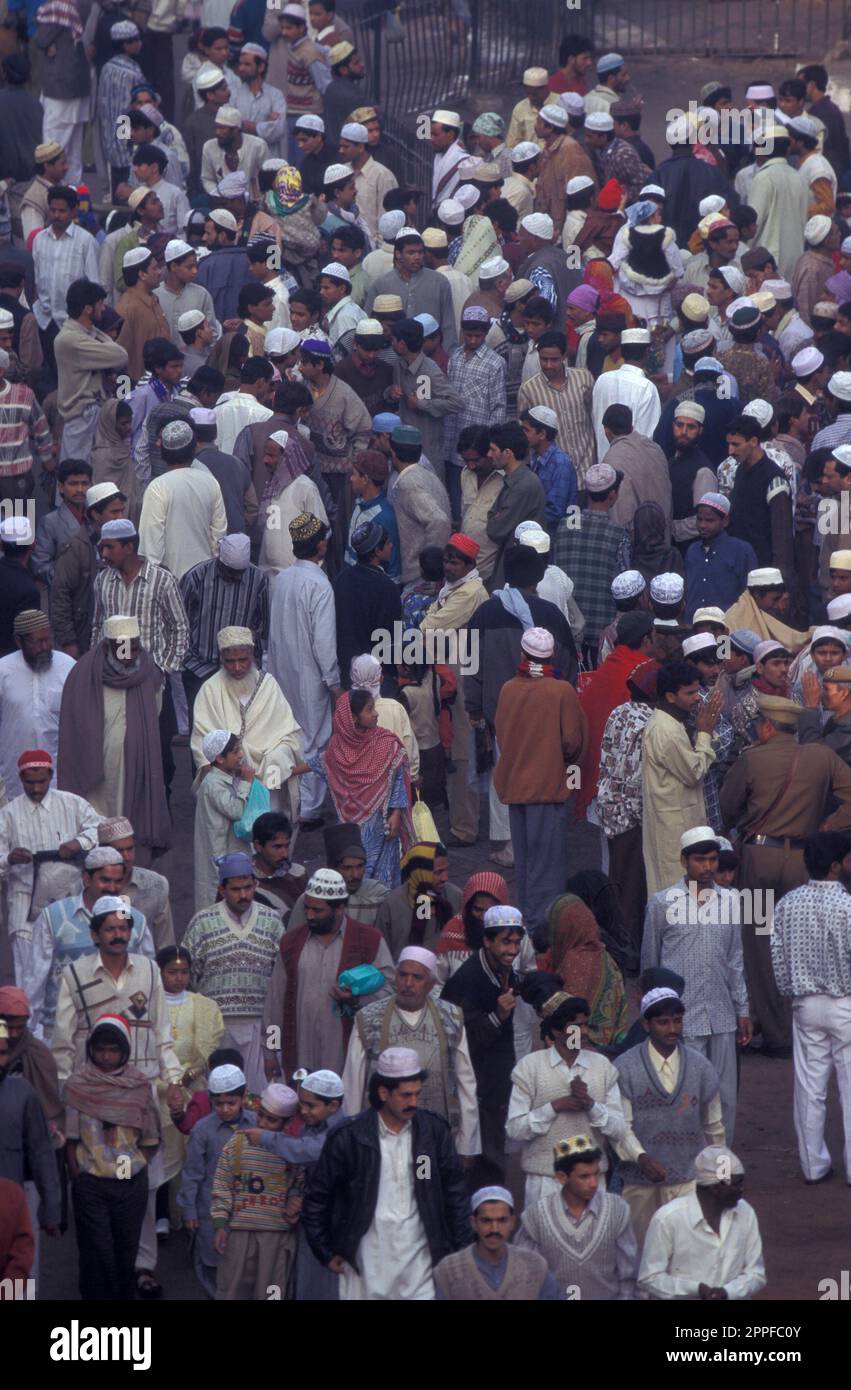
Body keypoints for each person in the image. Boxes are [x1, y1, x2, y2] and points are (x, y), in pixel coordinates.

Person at [52, 896, 184, 1298]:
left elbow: (162, 1031)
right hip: (90, 1097)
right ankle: (99, 1274)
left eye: (123, 928)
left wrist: (174, 1079)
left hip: (139, 1094)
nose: (117, 934)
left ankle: (140, 1267)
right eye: (109, 928)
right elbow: (62, 1042)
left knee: (139, 1184)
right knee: (93, 1176)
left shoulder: (147, 970)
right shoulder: (74, 975)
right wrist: (67, 1094)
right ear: (95, 935)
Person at [720, 693, 851, 1053]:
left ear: (765, 726)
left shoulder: (752, 759)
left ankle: (775, 1032)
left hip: (758, 861)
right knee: (803, 944)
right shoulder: (822, 756)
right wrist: (827, 825)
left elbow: (727, 809)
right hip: (803, 864)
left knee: (760, 944)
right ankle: (807, 1029)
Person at [301, 1045, 470, 1300]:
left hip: (420, 1256)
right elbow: (317, 1198)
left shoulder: (432, 1132)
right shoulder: (350, 1137)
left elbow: (454, 1193)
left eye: (417, 1094)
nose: (413, 1102)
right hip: (366, 1259)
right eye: (405, 1095)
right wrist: (325, 1251)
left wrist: (461, 1250)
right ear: (383, 1093)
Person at [642, 827, 751, 1143]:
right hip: (680, 1019)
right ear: (683, 861)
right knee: (685, 1095)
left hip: (722, 1015)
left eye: (712, 860)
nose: (707, 867)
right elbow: (650, 966)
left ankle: (719, 1165)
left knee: (725, 1097)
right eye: (700, 860)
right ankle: (687, 1165)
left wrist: (742, 1009)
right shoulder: (662, 904)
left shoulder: (731, 901)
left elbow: (735, 960)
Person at [342, 946, 481, 1160]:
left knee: (428, 1187)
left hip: (435, 1135)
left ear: (431, 984)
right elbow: (353, 1084)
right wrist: (351, 1140)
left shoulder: (452, 1018)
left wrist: (467, 1146)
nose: (408, 983)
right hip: (380, 1136)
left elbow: (465, 1082)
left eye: (417, 977)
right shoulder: (367, 1019)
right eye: (403, 975)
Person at [613, 988, 726, 1247]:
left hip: (688, 1178)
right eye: (663, 1022)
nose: (672, 1028)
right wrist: (640, 1158)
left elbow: (714, 1127)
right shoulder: (625, 1067)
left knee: (686, 1252)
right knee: (641, 1253)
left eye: (677, 1020)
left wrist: (721, 1174)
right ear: (646, 1024)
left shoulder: (701, 1067)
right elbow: (620, 1126)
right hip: (639, 1184)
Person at [63, 1014, 161, 1302]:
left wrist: (127, 1168)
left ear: (124, 1052)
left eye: (113, 1050)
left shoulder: (138, 1086)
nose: (106, 1057)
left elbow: (151, 1139)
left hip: (128, 1181)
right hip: (90, 1182)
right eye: (101, 1049)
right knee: (96, 1252)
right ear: (91, 1049)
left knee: (124, 1251)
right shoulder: (78, 1084)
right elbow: (70, 1139)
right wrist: (78, 1176)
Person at [493, 627, 586, 930]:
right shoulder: (561, 691)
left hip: (516, 786)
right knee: (547, 863)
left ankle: (526, 917)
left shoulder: (507, 688)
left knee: (525, 861)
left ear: (523, 654)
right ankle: (543, 926)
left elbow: (502, 737)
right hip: (549, 787)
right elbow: (573, 742)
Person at [263, 866, 393, 1080]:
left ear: (340, 908)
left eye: (318, 910)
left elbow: (390, 991)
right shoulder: (291, 943)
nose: (309, 915)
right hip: (299, 1058)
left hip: (348, 1059)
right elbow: (274, 1004)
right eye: (307, 909)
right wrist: (270, 1052)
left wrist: (357, 999)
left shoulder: (369, 941)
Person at [56, 615, 169, 860]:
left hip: (133, 767)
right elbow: (74, 725)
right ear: (108, 645)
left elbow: (154, 714)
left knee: (128, 825)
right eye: (123, 647)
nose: (129, 654)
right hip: (97, 771)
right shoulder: (83, 675)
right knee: (98, 828)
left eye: (134, 647)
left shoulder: (148, 672)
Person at [507, 990, 625, 1204]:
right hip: (545, 1181)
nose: (583, 1032)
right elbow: (515, 1130)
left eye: (585, 1025)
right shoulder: (530, 1067)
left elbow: (618, 1128)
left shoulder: (602, 1067)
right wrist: (555, 1106)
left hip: (592, 1182)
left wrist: (590, 1105)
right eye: (575, 1026)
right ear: (556, 1030)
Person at [182, 852, 284, 1094]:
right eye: (236, 889)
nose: (244, 895)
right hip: (215, 1029)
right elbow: (187, 983)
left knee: (262, 1098)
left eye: (248, 888)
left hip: (260, 1027)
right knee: (220, 1097)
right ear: (221, 889)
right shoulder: (202, 923)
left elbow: (280, 989)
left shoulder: (272, 922)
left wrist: (274, 1050)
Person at [0, 746, 100, 982]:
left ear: (51, 776)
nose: (36, 789)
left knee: (73, 975)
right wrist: (9, 858)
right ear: (21, 778)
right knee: (28, 978)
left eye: (42, 782)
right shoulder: (8, 815)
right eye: (30, 783)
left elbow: (100, 828)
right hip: (24, 907)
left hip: (70, 903)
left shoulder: (72, 803)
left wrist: (78, 842)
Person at [267, 512, 340, 831]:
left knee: (290, 734)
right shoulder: (319, 585)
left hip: (283, 671)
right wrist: (334, 683)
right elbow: (323, 642)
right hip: (311, 675)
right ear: (320, 545)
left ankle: (290, 803)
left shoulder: (282, 579)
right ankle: (308, 808)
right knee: (314, 738)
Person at [441, 906, 525, 1180]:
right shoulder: (468, 979)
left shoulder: (503, 968)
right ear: (487, 941)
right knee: (480, 1157)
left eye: (516, 942)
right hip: (474, 1085)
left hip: (495, 1083)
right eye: (506, 942)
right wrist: (497, 1017)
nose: (513, 949)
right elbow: (457, 1039)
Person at [190, 626, 302, 817]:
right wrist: (231, 761)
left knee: (277, 765)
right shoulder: (210, 690)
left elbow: (288, 732)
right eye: (230, 662)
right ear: (221, 660)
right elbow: (202, 739)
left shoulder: (268, 685)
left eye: (243, 660)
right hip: (229, 770)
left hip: (269, 770)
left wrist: (276, 755)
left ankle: (272, 819)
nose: (237, 667)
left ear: (252, 657)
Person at [210, 1081, 303, 1299]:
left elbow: (299, 1183)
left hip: (276, 1237)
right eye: (261, 1115)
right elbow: (222, 1184)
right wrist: (220, 1224)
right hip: (239, 1233)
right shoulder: (238, 1144)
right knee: (232, 1290)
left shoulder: (293, 1150)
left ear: (287, 1122)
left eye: (271, 1120)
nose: (262, 1123)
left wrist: (296, 1198)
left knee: (272, 1291)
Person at [516, 1135, 637, 1300]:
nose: (594, 1183)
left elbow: (628, 1275)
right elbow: (524, 1276)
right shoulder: (536, 1216)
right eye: (584, 1176)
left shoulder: (617, 1210)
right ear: (561, 1177)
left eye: (596, 1174)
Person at [638, 1145, 766, 1300]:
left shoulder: (746, 1213)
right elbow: (649, 1278)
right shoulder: (668, 1219)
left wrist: (727, 1293)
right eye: (737, 1184)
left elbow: (756, 1274)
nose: (742, 1190)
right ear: (716, 1188)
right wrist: (695, 1289)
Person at [177, 1061, 258, 1296]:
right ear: (210, 1100)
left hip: (247, 1207)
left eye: (231, 1103)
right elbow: (192, 1173)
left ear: (243, 1096)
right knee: (212, 1260)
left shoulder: (255, 1124)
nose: (225, 1109)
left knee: (245, 1263)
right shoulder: (202, 1130)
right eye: (218, 1103)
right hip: (210, 1208)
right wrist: (189, 1210)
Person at [642, 660, 722, 898]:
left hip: (681, 822)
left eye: (698, 691)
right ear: (670, 696)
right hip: (672, 828)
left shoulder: (675, 722)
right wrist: (705, 732)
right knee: (674, 896)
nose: (698, 698)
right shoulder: (665, 730)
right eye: (690, 693)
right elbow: (694, 772)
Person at [178, 536, 270, 726]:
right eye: (230, 572)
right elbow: (181, 621)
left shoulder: (258, 579)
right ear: (219, 560)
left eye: (239, 573)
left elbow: (262, 625)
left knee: (237, 728)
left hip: (239, 672)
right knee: (202, 729)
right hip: (199, 667)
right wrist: (185, 660)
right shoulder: (196, 577)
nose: (235, 577)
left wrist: (255, 665)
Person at [0, 1017, 61, 1280]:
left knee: (19, 1274)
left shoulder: (23, 1093)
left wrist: (51, 1208)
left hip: (10, 1209)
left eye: (2, 1052)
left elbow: (41, 1153)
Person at [538, 889, 629, 1050]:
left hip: (582, 1050)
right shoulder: (604, 954)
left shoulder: (574, 961)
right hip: (611, 1047)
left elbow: (569, 1016)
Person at [434, 1185, 560, 1300]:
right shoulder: (448, 1271)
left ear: (512, 1222)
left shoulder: (535, 1266)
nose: (494, 1229)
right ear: (474, 1223)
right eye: (486, 1221)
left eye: (502, 1221)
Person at [0, 611, 75, 799]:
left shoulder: (68, 667)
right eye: (37, 642)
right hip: (13, 769)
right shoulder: (3, 670)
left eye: (47, 640)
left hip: (58, 769)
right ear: (19, 641)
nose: (44, 647)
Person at [192, 731, 255, 913]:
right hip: (218, 854)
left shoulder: (226, 779)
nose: (240, 755)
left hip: (228, 850)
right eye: (235, 752)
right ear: (219, 758)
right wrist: (247, 783)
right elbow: (235, 809)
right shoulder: (213, 784)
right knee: (217, 902)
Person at [95, 816, 175, 952]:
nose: (127, 857)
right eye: (119, 851)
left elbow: (165, 945)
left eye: (130, 849)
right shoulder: (91, 888)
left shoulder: (156, 885)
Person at [389, 425, 453, 584]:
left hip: (419, 577)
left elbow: (439, 521)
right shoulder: (427, 475)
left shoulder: (409, 484)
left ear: (393, 453)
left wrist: (431, 568)